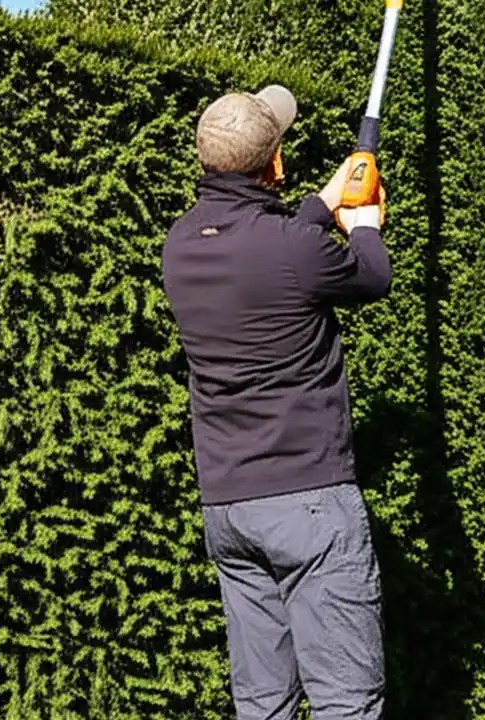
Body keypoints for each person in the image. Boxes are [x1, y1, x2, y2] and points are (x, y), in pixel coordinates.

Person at [161, 85, 390, 720]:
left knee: (263, 704)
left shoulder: (180, 246)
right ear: (275, 165)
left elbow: (269, 245)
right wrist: (363, 221)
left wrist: (323, 199)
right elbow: (370, 276)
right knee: (347, 701)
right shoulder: (293, 249)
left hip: (230, 511)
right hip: (309, 504)